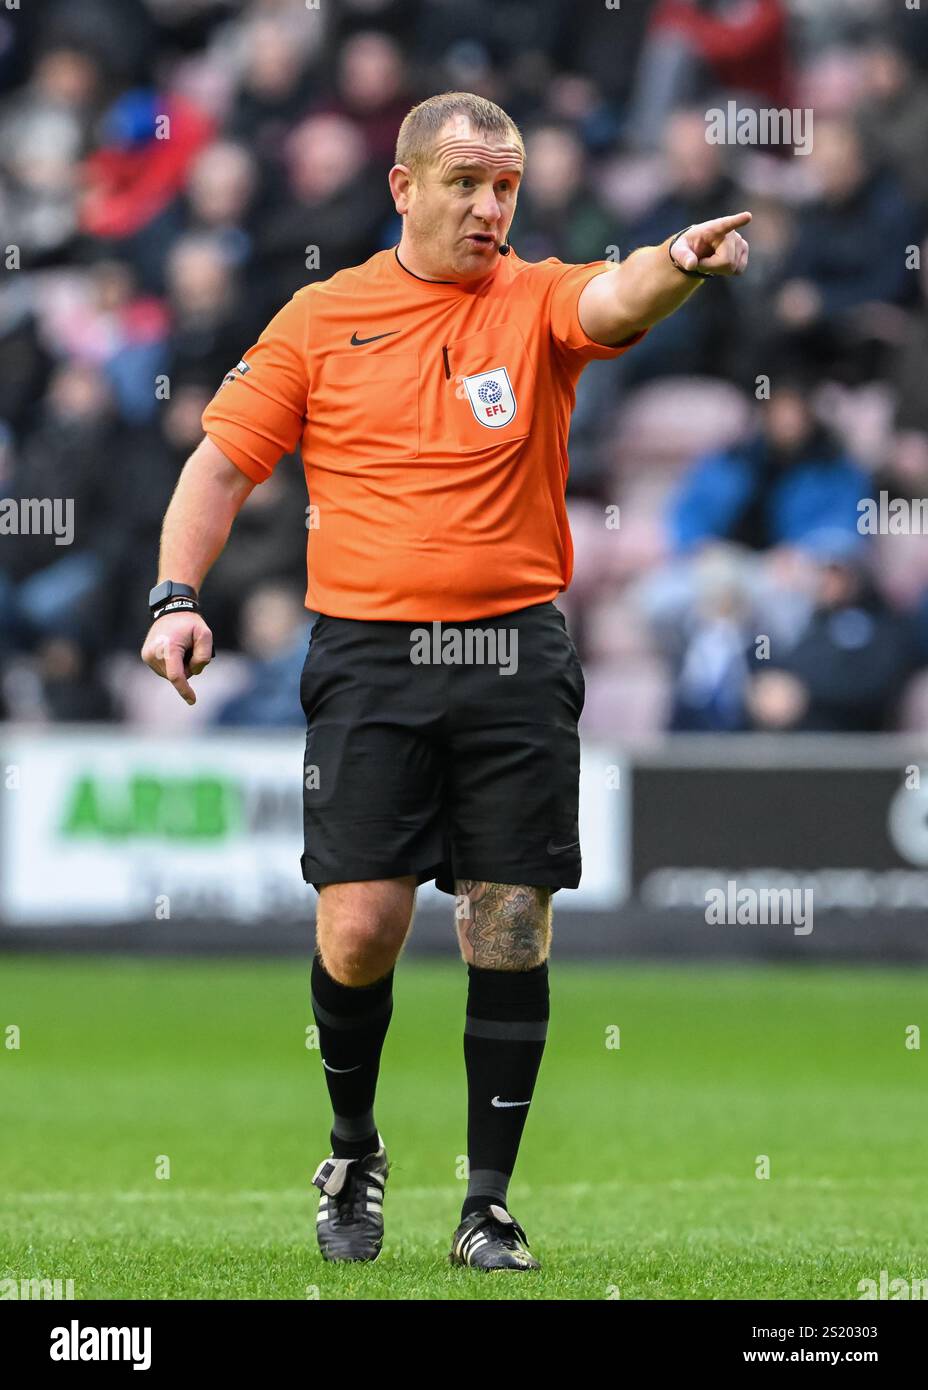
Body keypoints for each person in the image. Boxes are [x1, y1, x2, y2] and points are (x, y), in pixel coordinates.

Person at [140, 91, 750, 1272]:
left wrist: (676, 259)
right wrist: (176, 597)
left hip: (515, 652)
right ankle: (354, 1145)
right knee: (361, 925)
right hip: (370, 656)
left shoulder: (535, 299)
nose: (489, 206)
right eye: (466, 183)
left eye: (507, 185)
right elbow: (220, 468)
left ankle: (486, 1203)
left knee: (508, 925)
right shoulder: (322, 317)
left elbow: (614, 294)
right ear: (404, 189)